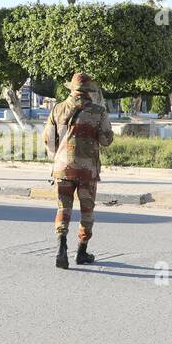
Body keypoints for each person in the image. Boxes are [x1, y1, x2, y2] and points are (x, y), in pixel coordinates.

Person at [43, 72, 114, 268]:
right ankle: (81, 251)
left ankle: (61, 247)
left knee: (63, 208)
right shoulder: (98, 112)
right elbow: (106, 140)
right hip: (87, 171)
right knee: (87, 211)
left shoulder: (57, 109)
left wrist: (57, 159)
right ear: (90, 90)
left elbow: (48, 139)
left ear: (72, 89)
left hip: (62, 169)